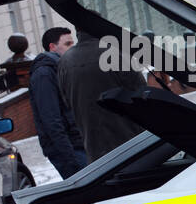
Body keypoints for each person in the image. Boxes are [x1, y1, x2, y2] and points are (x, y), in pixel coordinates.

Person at [58, 28, 146, 163]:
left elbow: (67, 101)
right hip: (129, 140)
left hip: (93, 145)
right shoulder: (116, 53)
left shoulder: (65, 62)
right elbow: (142, 93)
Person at [27, 27, 87, 179]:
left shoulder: (61, 68)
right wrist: (69, 155)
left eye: (73, 43)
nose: (72, 47)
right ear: (52, 47)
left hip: (76, 143)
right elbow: (51, 118)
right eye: (67, 44)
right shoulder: (44, 74)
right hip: (67, 149)